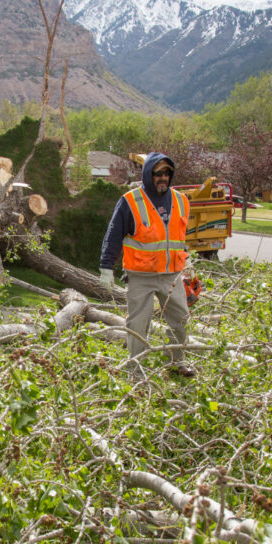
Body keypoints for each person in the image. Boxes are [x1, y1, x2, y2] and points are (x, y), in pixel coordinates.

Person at [99, 152, 195, 378]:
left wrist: (187, 261)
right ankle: (136, 369)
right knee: (138, 324)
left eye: (166, 173)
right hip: (140, 275)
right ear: (147, 174)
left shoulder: (181, 201)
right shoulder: (131, 201)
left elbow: (179, 237)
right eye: (157, 173)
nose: (163, 177)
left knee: (181, 320)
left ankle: (178, 361)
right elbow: (112, 236)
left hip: (171, 275)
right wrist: (106, 266)